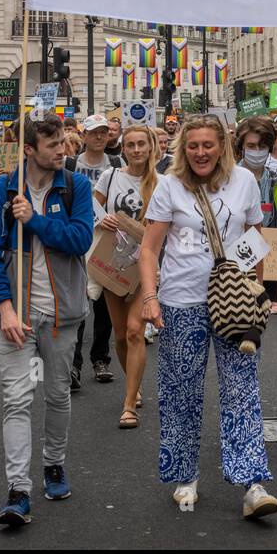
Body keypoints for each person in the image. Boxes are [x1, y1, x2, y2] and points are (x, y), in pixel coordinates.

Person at [138, 116, 277, 519]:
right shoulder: (169, 186)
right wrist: (150, 297)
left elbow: (256, 239)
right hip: (181, 301)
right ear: (184, 149)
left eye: (208, 145)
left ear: (222, 147)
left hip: (234, 304)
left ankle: (252, 483)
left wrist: (256, 292)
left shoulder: (244, 183)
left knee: (242, 389)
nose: (200, 153)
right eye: (193, 146)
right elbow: (150, 248)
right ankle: (185, 475)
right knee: (181, 391)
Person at [0, 114, 94, 527]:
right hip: (17, 316)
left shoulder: (76, 186)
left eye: (63, 143)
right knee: (17, 399)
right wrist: (5, 307)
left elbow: (81, 239)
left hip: (62, 312)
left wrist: (37, 221)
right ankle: (18, 490)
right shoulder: (2, 191)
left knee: (57, 394)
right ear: (29, 150)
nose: (62, 150)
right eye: (52, 145)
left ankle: (54, 463)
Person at [96, 125, 159, 428]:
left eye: (141, 145)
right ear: (123, 149)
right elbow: (91, 207)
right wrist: (103, 218)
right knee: (120, 335)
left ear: (150, 148)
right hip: (114, 262)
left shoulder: (163, 182)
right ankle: (134, 385)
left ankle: (128, 404)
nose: (136, 150)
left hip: (146, 266)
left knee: (136, 331)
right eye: (130, 145)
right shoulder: (110, 177)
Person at [67, 115, 124, 389]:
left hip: (106, 240)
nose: (100, 137)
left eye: (104, 133)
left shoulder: (116, 164)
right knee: (77, 304)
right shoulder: (70, 164)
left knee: (104, 305)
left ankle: (100, 359)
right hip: (77, 239)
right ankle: (73, 364)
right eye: (94, 133)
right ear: (84, 136)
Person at [234, 117, 277, 317]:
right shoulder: (225, 182)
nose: (257, 151)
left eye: (262, 146)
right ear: (242, 148)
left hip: (268, 269)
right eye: (251, 146)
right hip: (231, 271)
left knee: (255, 330)